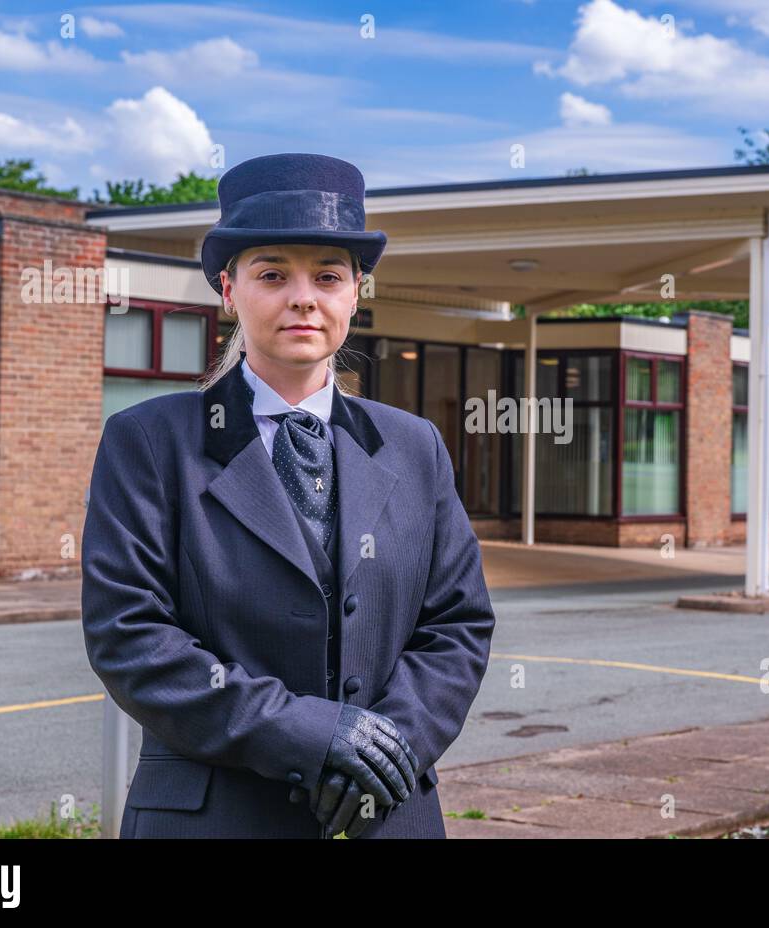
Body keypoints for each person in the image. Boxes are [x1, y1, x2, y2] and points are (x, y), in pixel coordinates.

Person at [81, 153, 496, 838]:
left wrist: (387, 750)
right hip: (214, 819)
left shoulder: (414, 445)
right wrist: (313, 735)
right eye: (272, 274)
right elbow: (130, 637)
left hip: (384, 816)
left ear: (357, 292)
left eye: (329, 275)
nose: (303, 297)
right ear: (228, 290)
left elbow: (457, 625)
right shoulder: (149, 442)